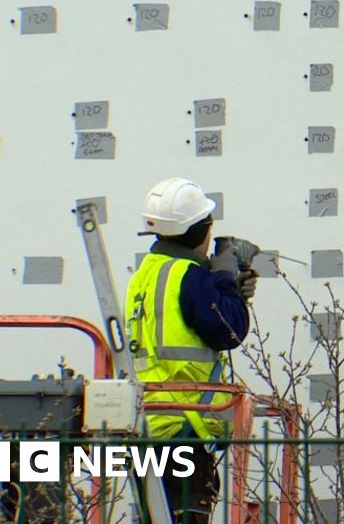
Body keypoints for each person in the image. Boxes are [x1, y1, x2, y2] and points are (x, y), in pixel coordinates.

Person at [125, 177, 257, 524]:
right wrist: (226, 279)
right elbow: (230, 331)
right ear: (202, 231)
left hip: (147, 423)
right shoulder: (189, 276)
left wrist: (219, 286)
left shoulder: (146, 274)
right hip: (182, 427)